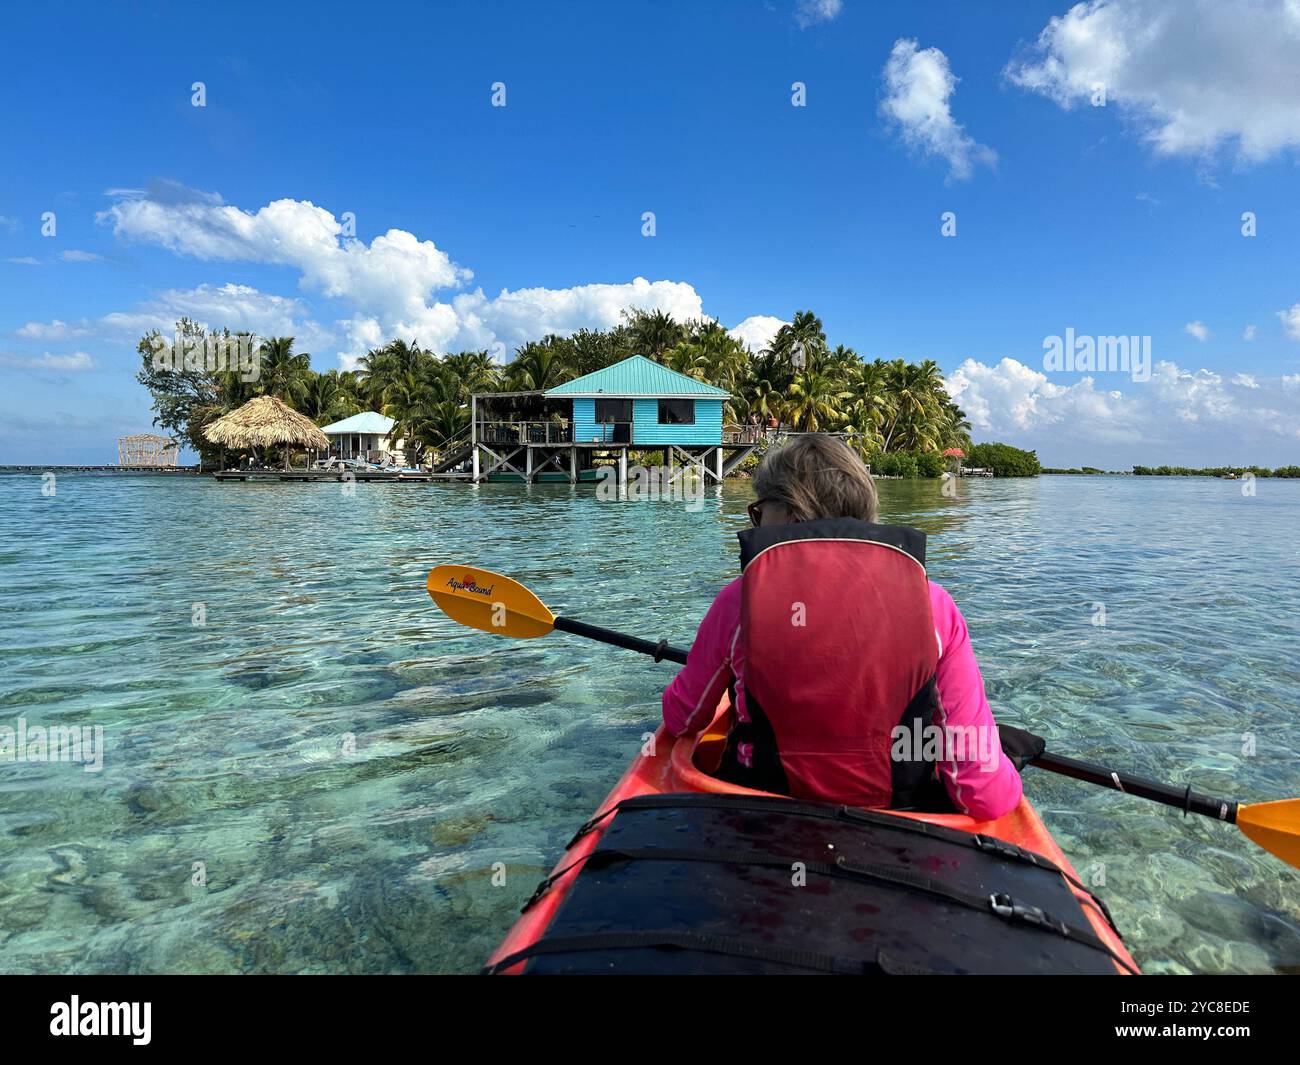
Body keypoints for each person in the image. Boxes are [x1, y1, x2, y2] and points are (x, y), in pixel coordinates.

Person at [662, 433, 1029, 820]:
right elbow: (985, 797)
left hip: (766, 816)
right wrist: (1001, 756)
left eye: (758, 512)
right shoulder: (934, 604)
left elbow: (683, 719)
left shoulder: (738, 601)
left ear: (789, 515)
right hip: (899, 821)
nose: (756, 522)